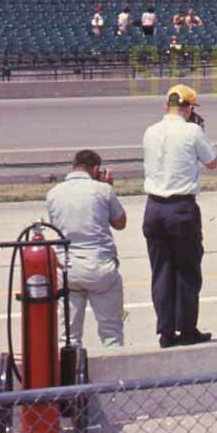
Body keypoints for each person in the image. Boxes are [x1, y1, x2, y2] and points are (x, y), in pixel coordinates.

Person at [141, 84, 217, 348]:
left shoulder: (150, 131)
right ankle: (186, 328)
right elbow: (212, 162)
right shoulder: (192, 131)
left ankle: (165, 331)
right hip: (181, 208)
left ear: (166, 105)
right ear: (188, 108)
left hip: (153, 208)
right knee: (187, 270)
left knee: (161, 270)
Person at [45, 149, 128, 347]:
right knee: (111, 332)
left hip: (68, 269)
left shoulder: (53, 194)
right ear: (96, 169)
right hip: (100, 267)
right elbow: (120, 222)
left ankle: (70, 375)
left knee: (69, 338)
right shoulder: (103, 190)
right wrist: (108, 187)